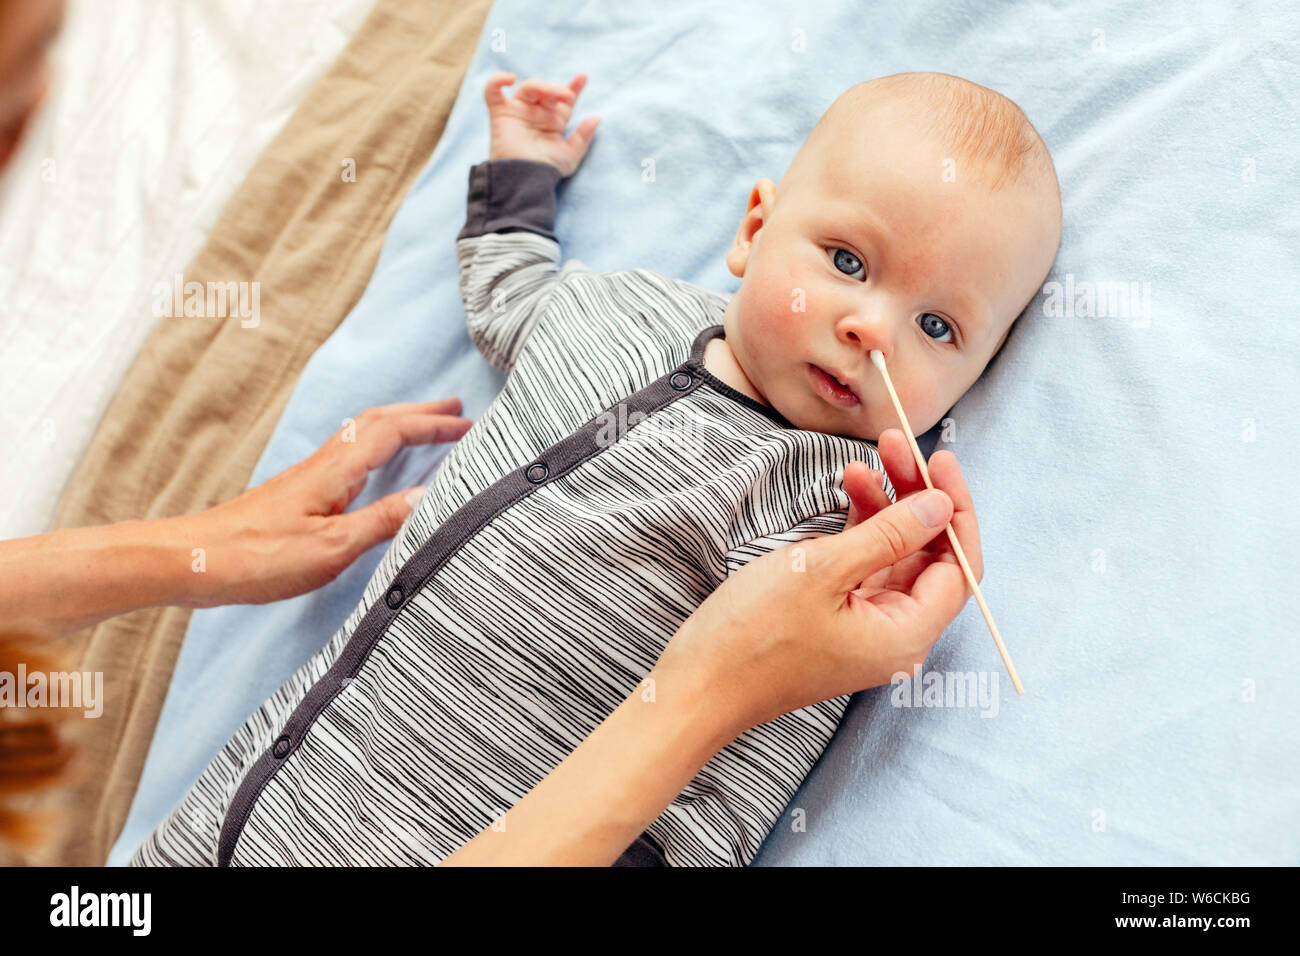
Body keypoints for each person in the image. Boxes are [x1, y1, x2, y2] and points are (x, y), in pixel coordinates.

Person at [0, 397, 980, 865]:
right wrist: (698, 699)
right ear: (755, 227)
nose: (870, 325)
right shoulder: (613, 313)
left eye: (937, 323)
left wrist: (194, 549)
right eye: (845, 263)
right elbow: (511, 292)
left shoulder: (815, 488)